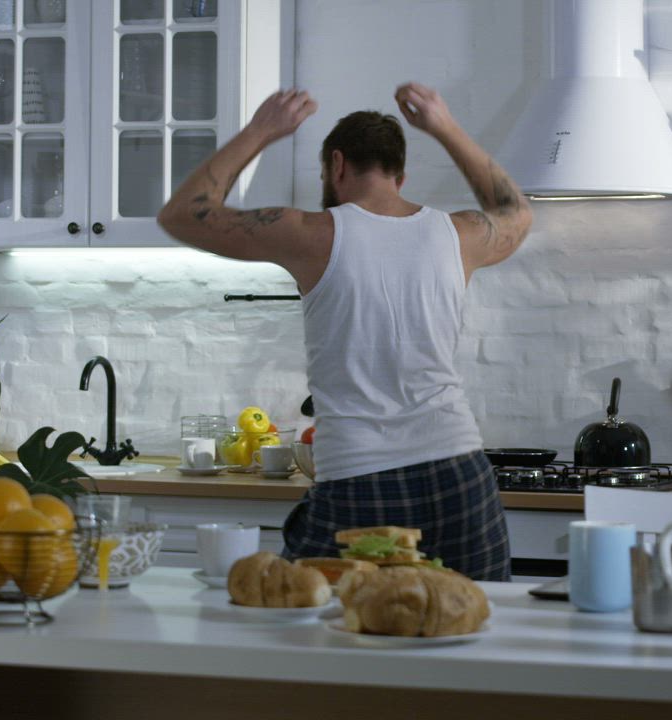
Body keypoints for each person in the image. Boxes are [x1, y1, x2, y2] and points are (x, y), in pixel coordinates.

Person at [157, 83, 533, 580]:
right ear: (401, 175)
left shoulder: (310, 232)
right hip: (458, 470)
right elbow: (517, 213)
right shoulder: (458, 234)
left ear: (337, 165)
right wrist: (444, 126)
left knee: (322, 634)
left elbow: (181, 214)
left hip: (359, 475)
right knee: (468, 629)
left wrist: (262, 130)